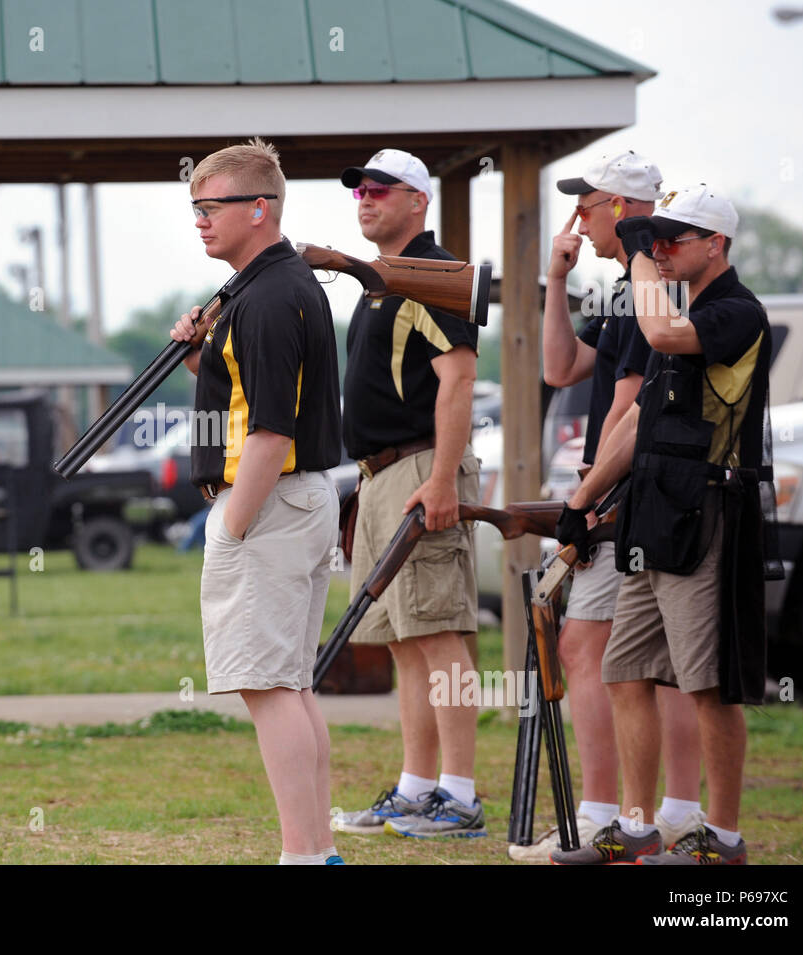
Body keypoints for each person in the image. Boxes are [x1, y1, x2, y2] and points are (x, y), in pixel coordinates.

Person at [552, 184, 772, 864]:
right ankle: (638, 826)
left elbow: (658, 333)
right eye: (659, 236)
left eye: (678, 237)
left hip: (706, 514)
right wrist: (582, 499)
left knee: (706, 685)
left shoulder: (733, 313)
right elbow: (638, 422)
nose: (665, 247)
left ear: (719, 245)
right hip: (655, 513)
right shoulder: (685, 310)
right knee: (624, 672)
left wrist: (638, 251)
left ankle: (724, 838)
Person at [512, 152, 704, 862]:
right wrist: (557, 280)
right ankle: (676, 811)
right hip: (644, 494)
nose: (577, 218)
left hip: (621, 497)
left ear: (622, 209)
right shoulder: (637, 288)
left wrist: (588, 497)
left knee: (587, 649)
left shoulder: (638, 290)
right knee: (659, 664)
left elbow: (628, 400)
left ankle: (602, 814)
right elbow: (560, 369)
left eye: (586, 204)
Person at [169, 137, 344, 865]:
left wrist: (231, 524)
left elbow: (271, 431)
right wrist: (199, 360)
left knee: (269, 687)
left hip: (268, 503)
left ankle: (302, 854)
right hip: (296, 501)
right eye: (196, 208)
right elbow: (251, 405)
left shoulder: (269, 296)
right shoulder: (273, 286)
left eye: (213, 206)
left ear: (260, 208)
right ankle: (318, 849)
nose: (201, 220)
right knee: (290, 685)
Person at [328, 149, 485, 839]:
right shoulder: (379, 282)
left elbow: (458, 380)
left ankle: (460, 795)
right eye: (360, 189)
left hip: (422, 467)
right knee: (403, 639)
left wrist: (444, 477)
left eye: (380, 189)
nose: (364, 198)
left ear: (418, 200)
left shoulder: (436, 275)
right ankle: (420, 788)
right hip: (379, 476)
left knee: (440, 633)